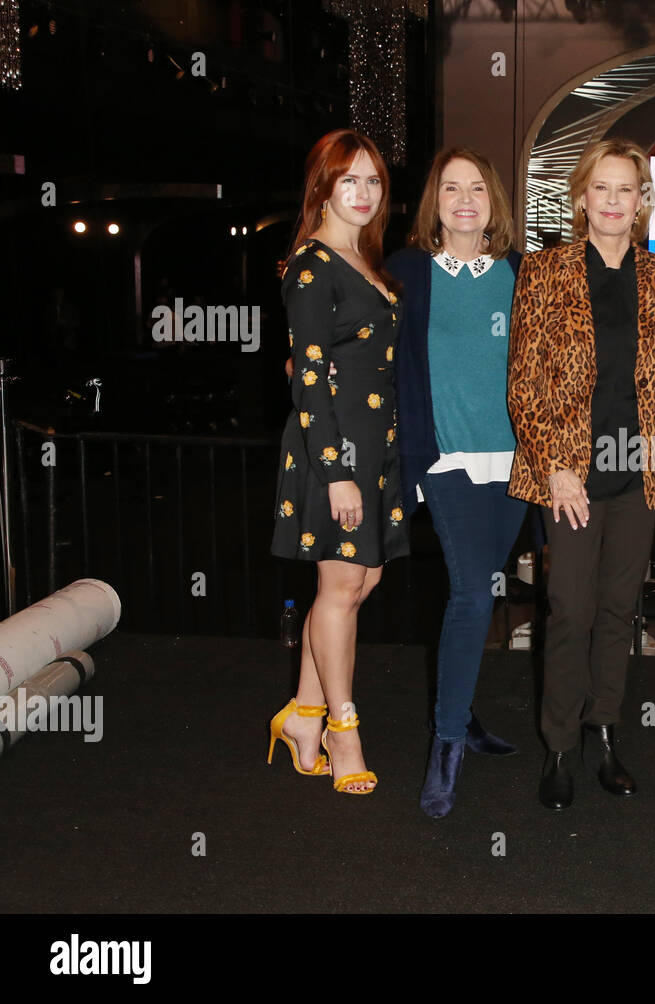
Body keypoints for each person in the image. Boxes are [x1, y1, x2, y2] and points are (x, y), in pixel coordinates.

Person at [507, 137, 655, 810]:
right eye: (602, 188)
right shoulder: (544, 270)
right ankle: (560, 745)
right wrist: (556, 467)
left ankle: (606, 732)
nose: (614, 201)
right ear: (582, 197)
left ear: (642, 201)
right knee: (569, 610)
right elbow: (523, 382)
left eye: (627, 189)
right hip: (570, 476)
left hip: (640, 473)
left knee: (620, 611)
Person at [385, 148, 528, 818]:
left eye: (477, 188)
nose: (465, 199)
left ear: (493, 200)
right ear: (433, 202)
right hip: (447, 461)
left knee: (479, 590)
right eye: (451, 188)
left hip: (516, 464)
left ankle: (461, 714)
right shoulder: (407, 272)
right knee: (472, 595)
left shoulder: (518, 271)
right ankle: (445, 746)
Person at [267, 129, 407, 795]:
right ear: (322, 188)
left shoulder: (363, 260)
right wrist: (337, 471)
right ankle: (342, 730)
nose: (364, 192)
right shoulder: (312, 265)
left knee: (361, 581)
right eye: (349, 179)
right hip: (336, 449)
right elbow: (308, 378)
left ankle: (303, 713)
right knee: (341, 588)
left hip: (374, 445)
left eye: (373, 180)